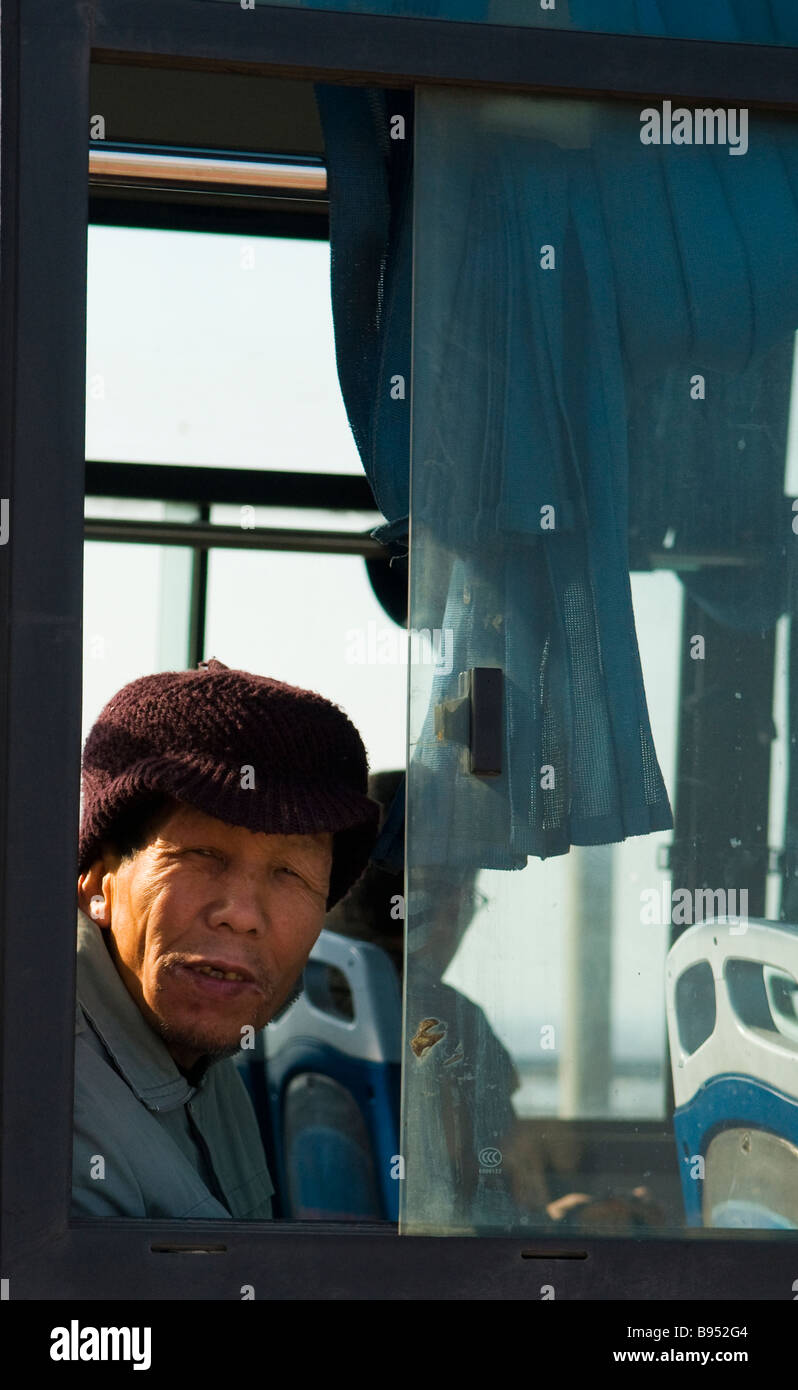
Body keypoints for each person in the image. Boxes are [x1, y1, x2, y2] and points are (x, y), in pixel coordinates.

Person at [72, 658, 379, 1220]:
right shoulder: (48, 1104)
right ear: (98, 882)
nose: (241, 915)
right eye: (201, 855)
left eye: (290, 874)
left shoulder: (208, 1062)